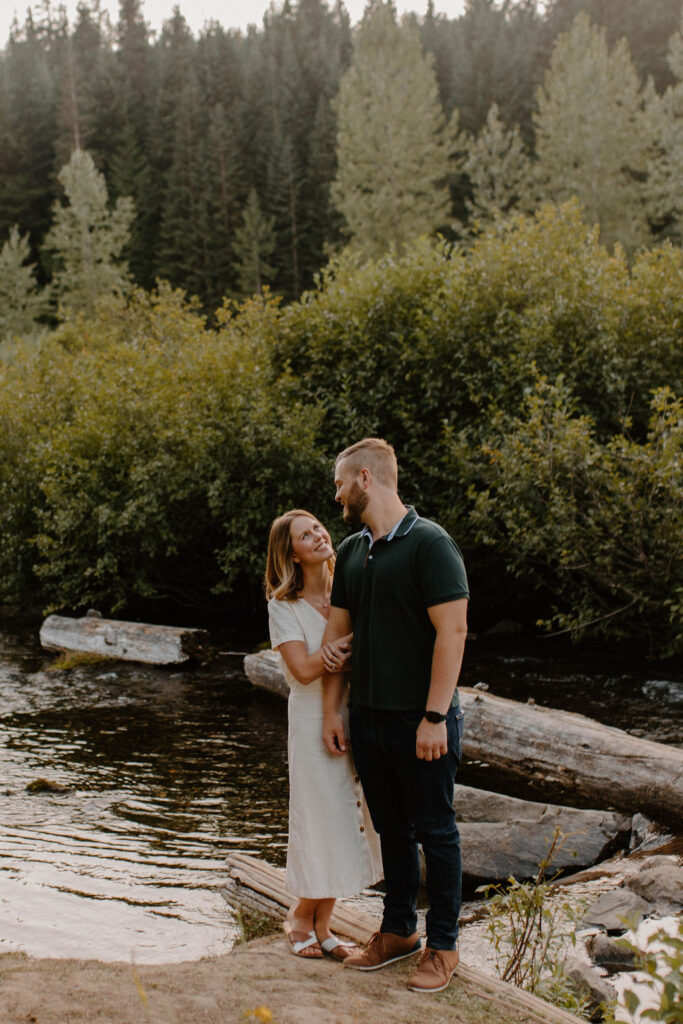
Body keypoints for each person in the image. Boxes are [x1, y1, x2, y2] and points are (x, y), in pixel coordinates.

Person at [321, 438, 469, 994]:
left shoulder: (430, 543)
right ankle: (399, 932)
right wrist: (335, 711)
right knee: (391, 830)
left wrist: (434, 716)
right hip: (368, 718)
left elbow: (451, 634)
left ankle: (444, 947)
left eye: (339, 483)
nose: (336, 495)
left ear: (364, 478)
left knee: (436, 832)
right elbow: (338, 639)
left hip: (421, 720)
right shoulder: (354, 551)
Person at [265, 508, 383, 961]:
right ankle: (299, 916)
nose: (318, 535)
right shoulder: (284, 605)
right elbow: (302, 669)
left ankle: (324, 921)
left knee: (350, 814)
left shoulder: (344, 591)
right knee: (318, 816)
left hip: (352, 712)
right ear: (291, 554)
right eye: (304, 535)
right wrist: (341, 649)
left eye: (317, 527)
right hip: (312, 718)